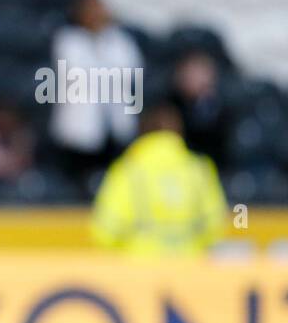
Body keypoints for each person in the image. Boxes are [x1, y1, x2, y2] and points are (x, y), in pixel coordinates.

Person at [91, 102, 227, 256]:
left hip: (139, 269)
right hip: (189, 269)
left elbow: (106, 231)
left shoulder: (127, 170)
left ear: (142, 131)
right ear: (179, 132)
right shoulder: (199, 169)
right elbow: (215, 226)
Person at [48, 0, 143, 191]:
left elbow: (131, 73)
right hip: (78, 131)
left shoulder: (119, 41)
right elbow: (79, 76)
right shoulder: (68, 40)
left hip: (115, 127)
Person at [166, 49, 228, 168]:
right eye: (191, 74)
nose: (199, 80)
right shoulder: (170, 106)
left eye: (202, 74)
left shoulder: (222, 106)